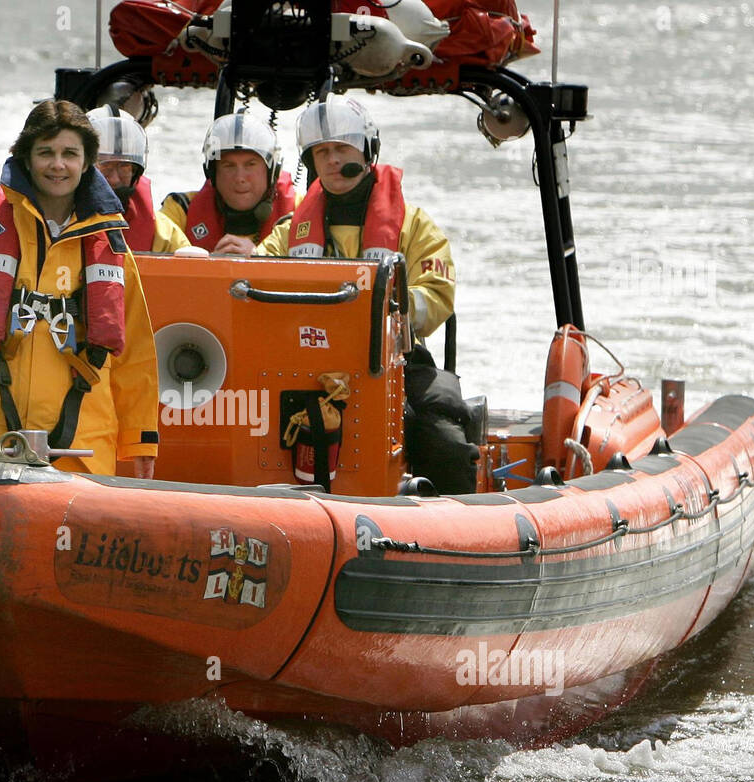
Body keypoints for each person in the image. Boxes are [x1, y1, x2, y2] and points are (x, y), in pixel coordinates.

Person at [0, 100, 160, 479]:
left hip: (83, 442)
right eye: (45, 152)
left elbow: (137, 353)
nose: (57, 165)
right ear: (26, 158)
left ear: (87, 161)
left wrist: (141, 442)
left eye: (69, 154)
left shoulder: (111, 250)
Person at [248, 95, 477, 493]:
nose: (333, 160)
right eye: (322, 152)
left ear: (366, 149)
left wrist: (389, 310)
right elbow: (254, 282)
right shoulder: (289, 231)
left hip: (395, 364)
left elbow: (437, 296)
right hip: (301, 362)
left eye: (341, 149)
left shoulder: (414, 224)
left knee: (444, 440)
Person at [160, 112, 297, 254]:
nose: (240, 177)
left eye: (250, 164)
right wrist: (212, 265)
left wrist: (259, 258)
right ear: (212, 173)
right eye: (228, 165)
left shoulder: (299, 211)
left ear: (272, 171)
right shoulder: (180, 211)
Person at [86, 104, 193, 254]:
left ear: (137, 171)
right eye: (105, 166)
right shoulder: (57, 222)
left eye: (125, 167)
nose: (115, 179)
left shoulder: (164, 234)